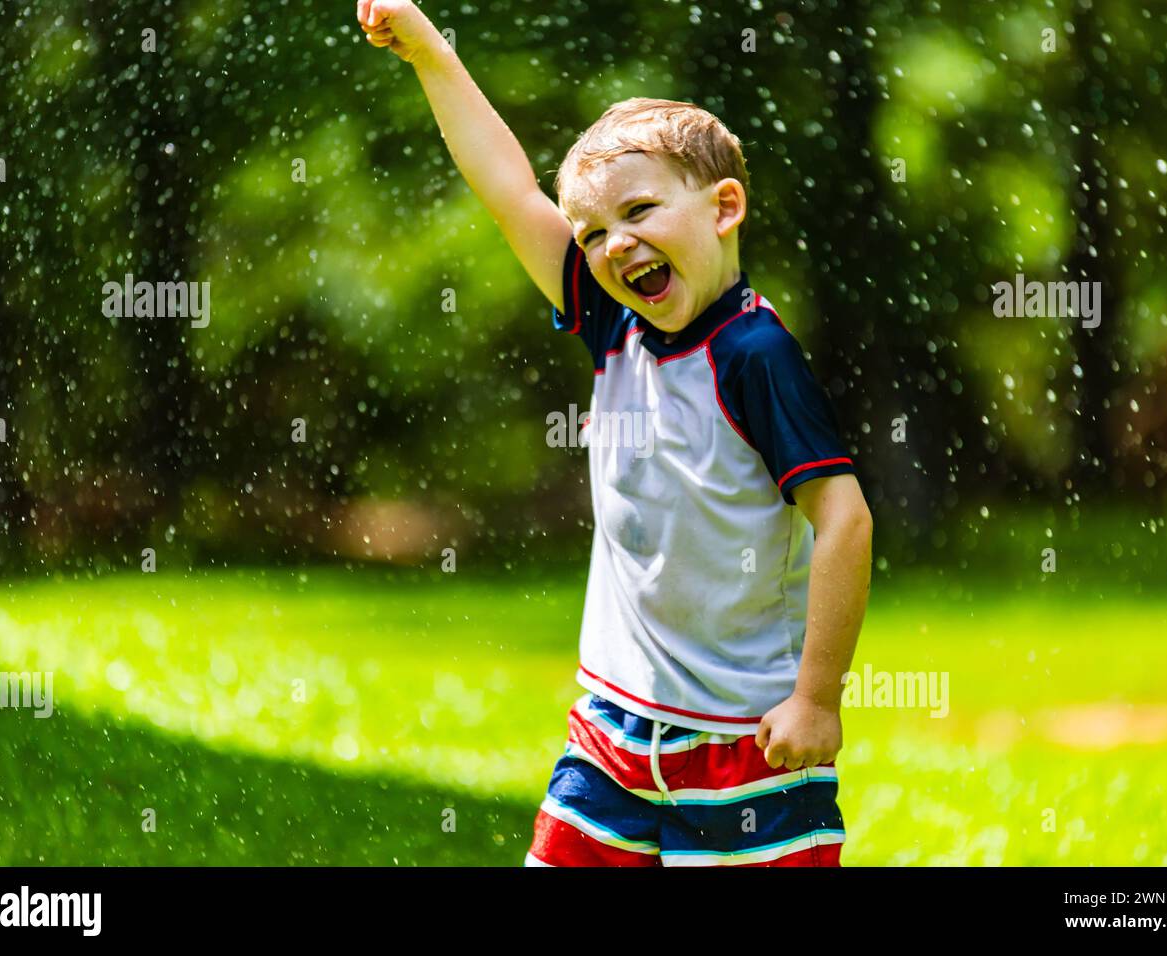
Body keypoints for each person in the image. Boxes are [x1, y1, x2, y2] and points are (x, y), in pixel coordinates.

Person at [358, 0, 873, 867]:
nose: (613, 244)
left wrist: (816, 699)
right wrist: (427, 53)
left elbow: (846, 520)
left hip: (744, 743)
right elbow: (510, 192)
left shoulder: (754, 355)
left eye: (638, 211)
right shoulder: (611, 318)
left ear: (723, 208)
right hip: (611, 728)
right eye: (594, 232)